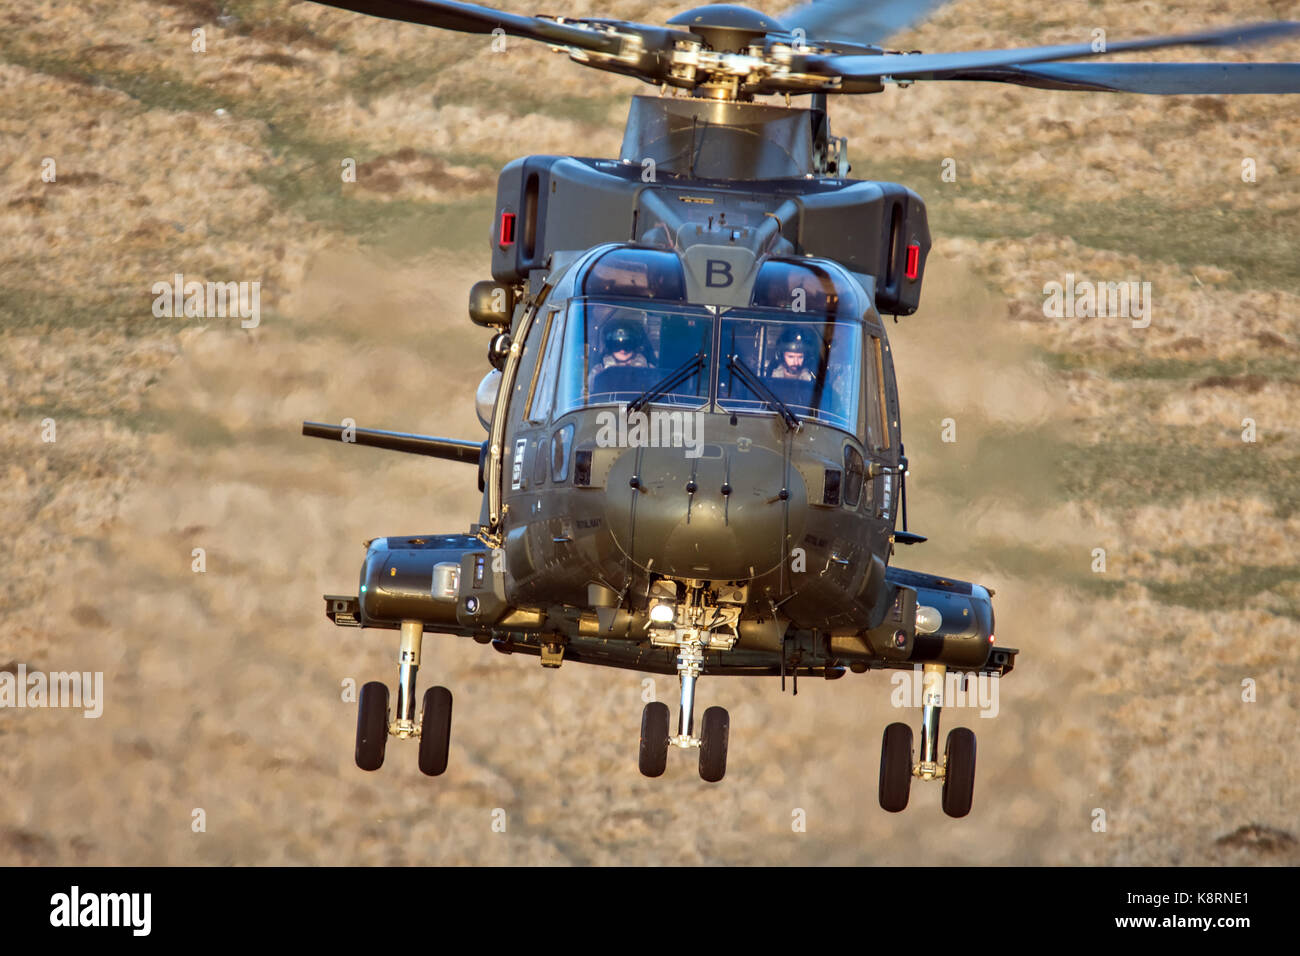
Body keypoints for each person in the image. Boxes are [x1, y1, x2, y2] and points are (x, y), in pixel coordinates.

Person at [589, 312, 653, 389]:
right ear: (609, 346)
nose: (622, 349)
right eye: (616, 345)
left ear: (635, 345)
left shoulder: (649, 371)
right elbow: (586, 397)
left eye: (627, 344)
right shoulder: (598, 371)